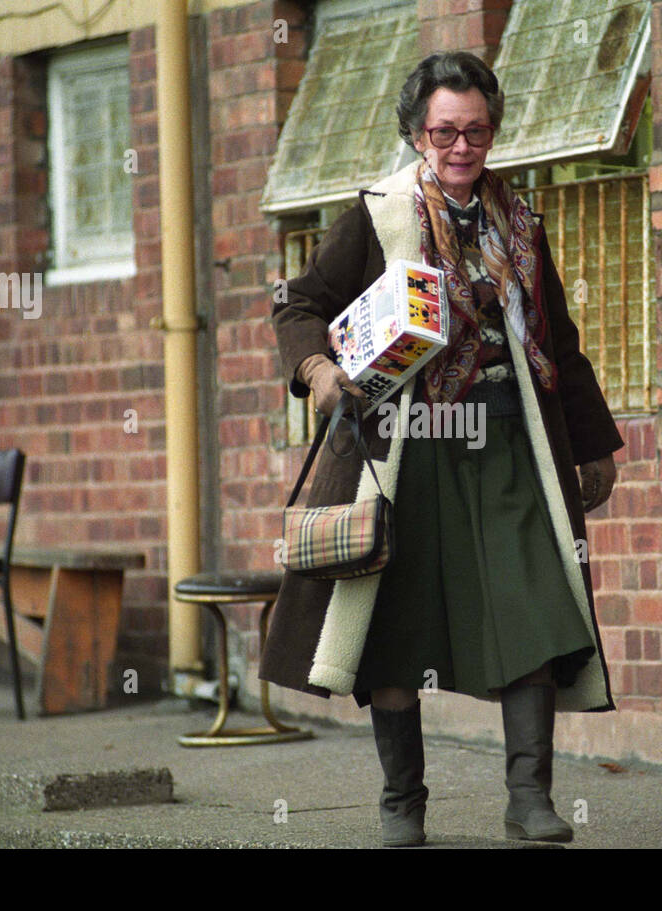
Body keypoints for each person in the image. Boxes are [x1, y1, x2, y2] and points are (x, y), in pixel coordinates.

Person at [263, 51, 624, 847]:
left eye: (477, 131)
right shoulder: (380, 212)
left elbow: (559, 341)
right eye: (445, 130)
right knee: (393, 621)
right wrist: (317, 367)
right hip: (407, 447)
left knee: (535, 602)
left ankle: (529, 797)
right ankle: (402, 802)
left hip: (504, 440)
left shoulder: (519, 221)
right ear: (416, 133)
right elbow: (301, 302)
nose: (462, 146)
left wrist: (594, 447)